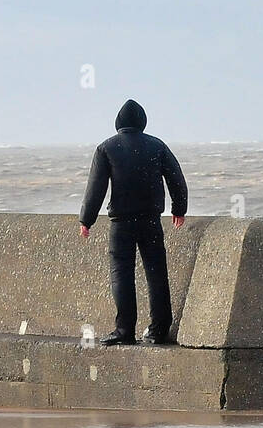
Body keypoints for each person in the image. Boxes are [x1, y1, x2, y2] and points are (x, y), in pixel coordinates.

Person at [79, 99, 188, 346]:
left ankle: (124, 330)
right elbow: (176, 178)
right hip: (150, 220)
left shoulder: (106, 148)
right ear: (142, 122)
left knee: (122, 274)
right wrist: (179, 209)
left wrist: (87, 219)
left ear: (118, 124)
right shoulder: (157, 146)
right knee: (156, 273)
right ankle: (159, 329)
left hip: (121, 223)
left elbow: (95, 188)